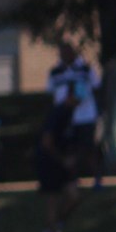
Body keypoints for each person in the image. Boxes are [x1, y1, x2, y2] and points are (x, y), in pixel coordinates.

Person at [47, 42, 102, 187]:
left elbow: (97, 88)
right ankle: (72, 179)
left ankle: (97, 179)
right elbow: (50, 94)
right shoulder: (55, 72)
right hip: (65, 118)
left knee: (88, 148)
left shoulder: (85, 69)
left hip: (85, 116)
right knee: (69, 148)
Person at [34, 92, 84, 232]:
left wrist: (72, 157)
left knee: (74, 196)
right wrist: (63, 159)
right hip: (50, 163)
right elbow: (47, 142)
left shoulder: (72, 114)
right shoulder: (57, 112)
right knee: (52, 202)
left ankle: (52, 229)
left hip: (62, 165)